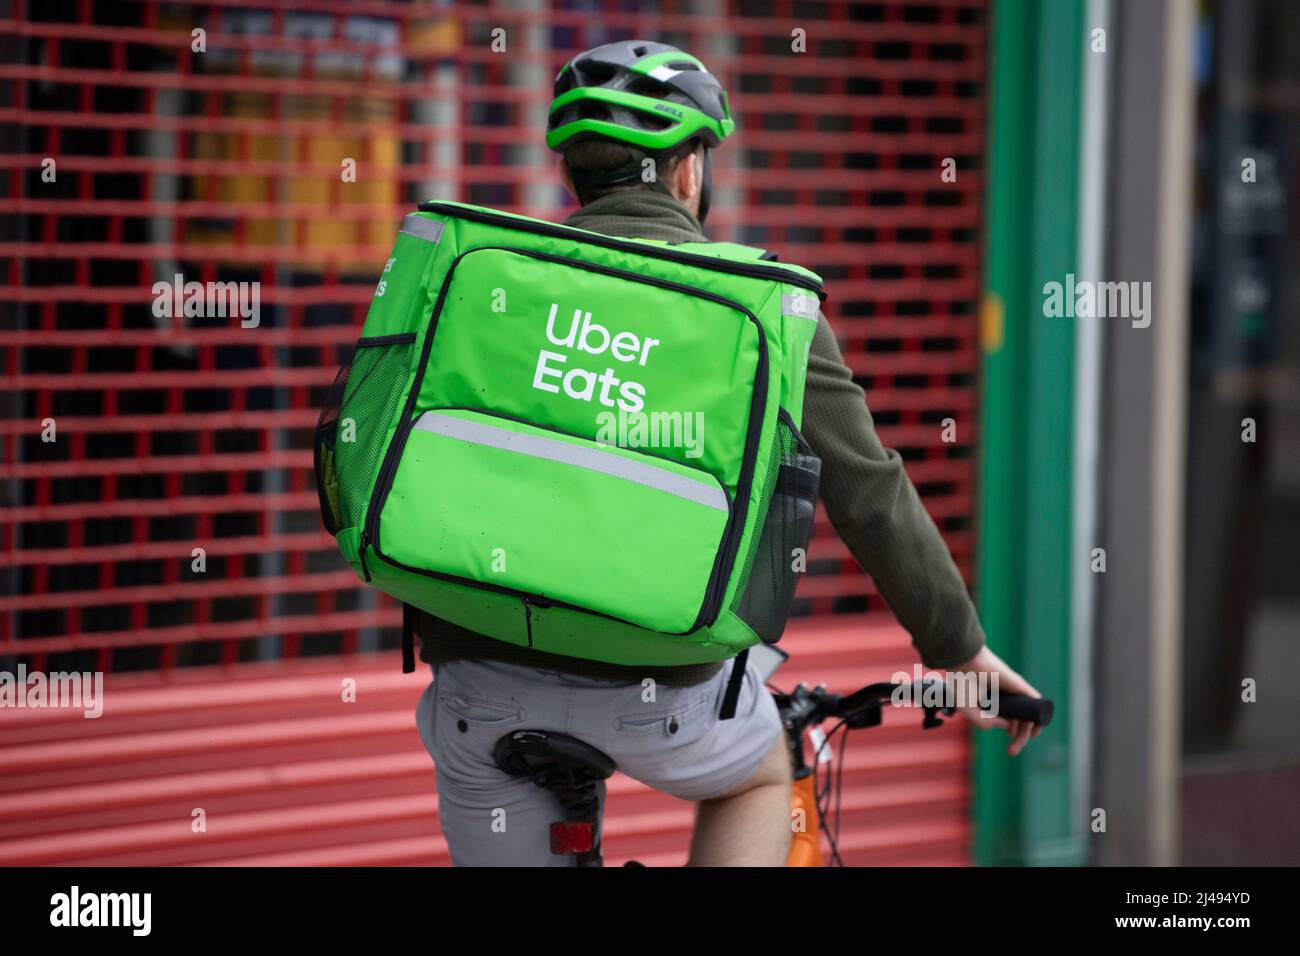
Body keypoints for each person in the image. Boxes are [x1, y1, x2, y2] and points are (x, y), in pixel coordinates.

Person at [413, 40, 1041, 867]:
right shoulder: (767, 311)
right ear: (686, 173)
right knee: (759, 779)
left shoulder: (482, 286)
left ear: (574, 176)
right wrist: (959, 652)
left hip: (475, 692)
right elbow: (869, 493)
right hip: (664, 700)